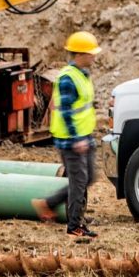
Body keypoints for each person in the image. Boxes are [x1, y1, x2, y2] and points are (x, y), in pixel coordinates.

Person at [32, 31, 101, 239]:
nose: (94, 56)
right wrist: (76, 138)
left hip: (84, 136)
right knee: (79, 182)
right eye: (91, 53)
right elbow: (67, 111)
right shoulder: (67, 79)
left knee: (88, 178)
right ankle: (73, 226)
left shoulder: (82, 75)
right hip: (72, 140)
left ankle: (52, 205)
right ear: (80, 54)